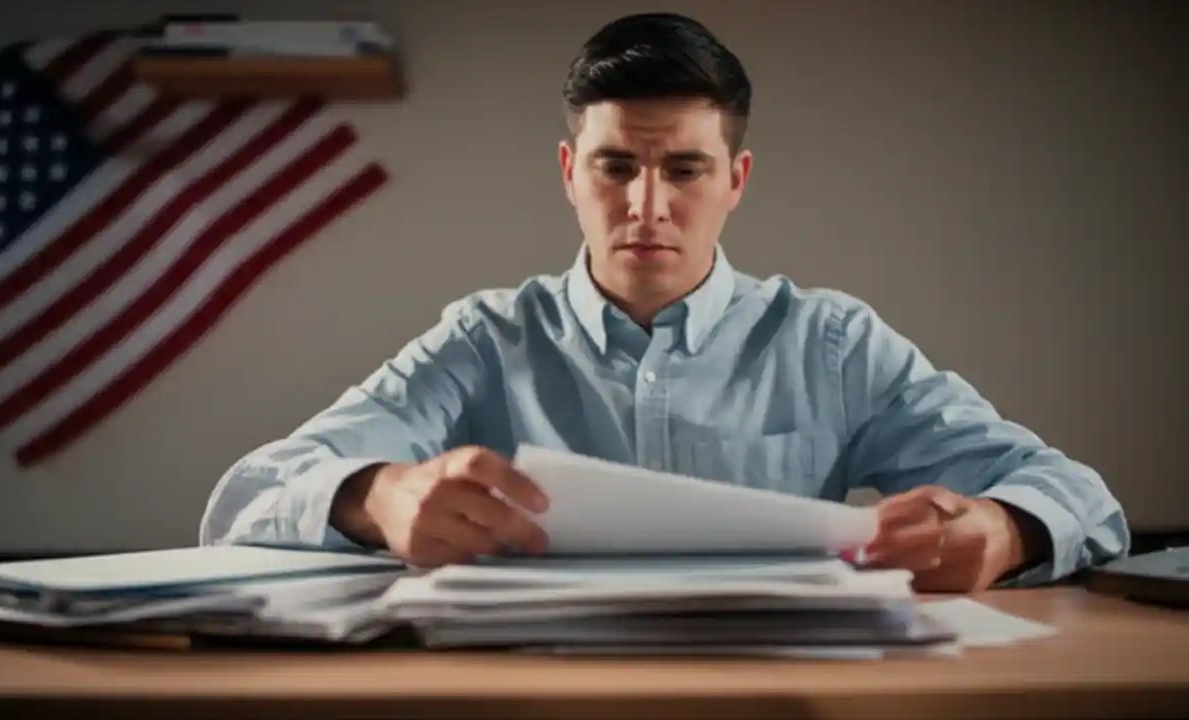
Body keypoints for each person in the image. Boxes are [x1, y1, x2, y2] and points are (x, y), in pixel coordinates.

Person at [199, 12, 1129, 591]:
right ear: (571, 172)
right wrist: (377, 495)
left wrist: (1008, 529)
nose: (646, 206)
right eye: (615, 166)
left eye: (684, 168)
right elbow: (243, 498)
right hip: (538, 700)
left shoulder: (833, 344)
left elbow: (1078, 494)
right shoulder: (484, 341)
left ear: (737, 178)